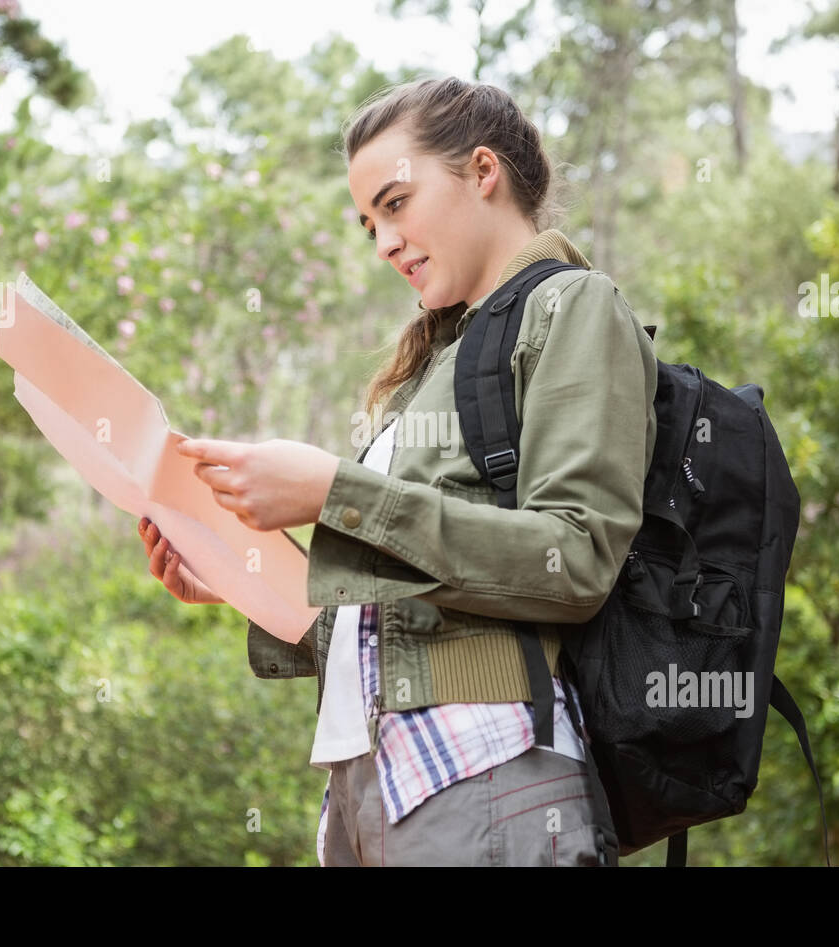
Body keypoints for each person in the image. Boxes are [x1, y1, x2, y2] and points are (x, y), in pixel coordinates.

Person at [137, 76, 657, 866]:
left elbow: (575, 559)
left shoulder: (573, 306)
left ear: (482, 171)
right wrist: (239, 576)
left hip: (483, 771)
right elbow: (401, 619)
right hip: (371, 784)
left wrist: (333, 494)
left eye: (395, 204)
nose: (383, 242)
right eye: (368, 223)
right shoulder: (433, 370)